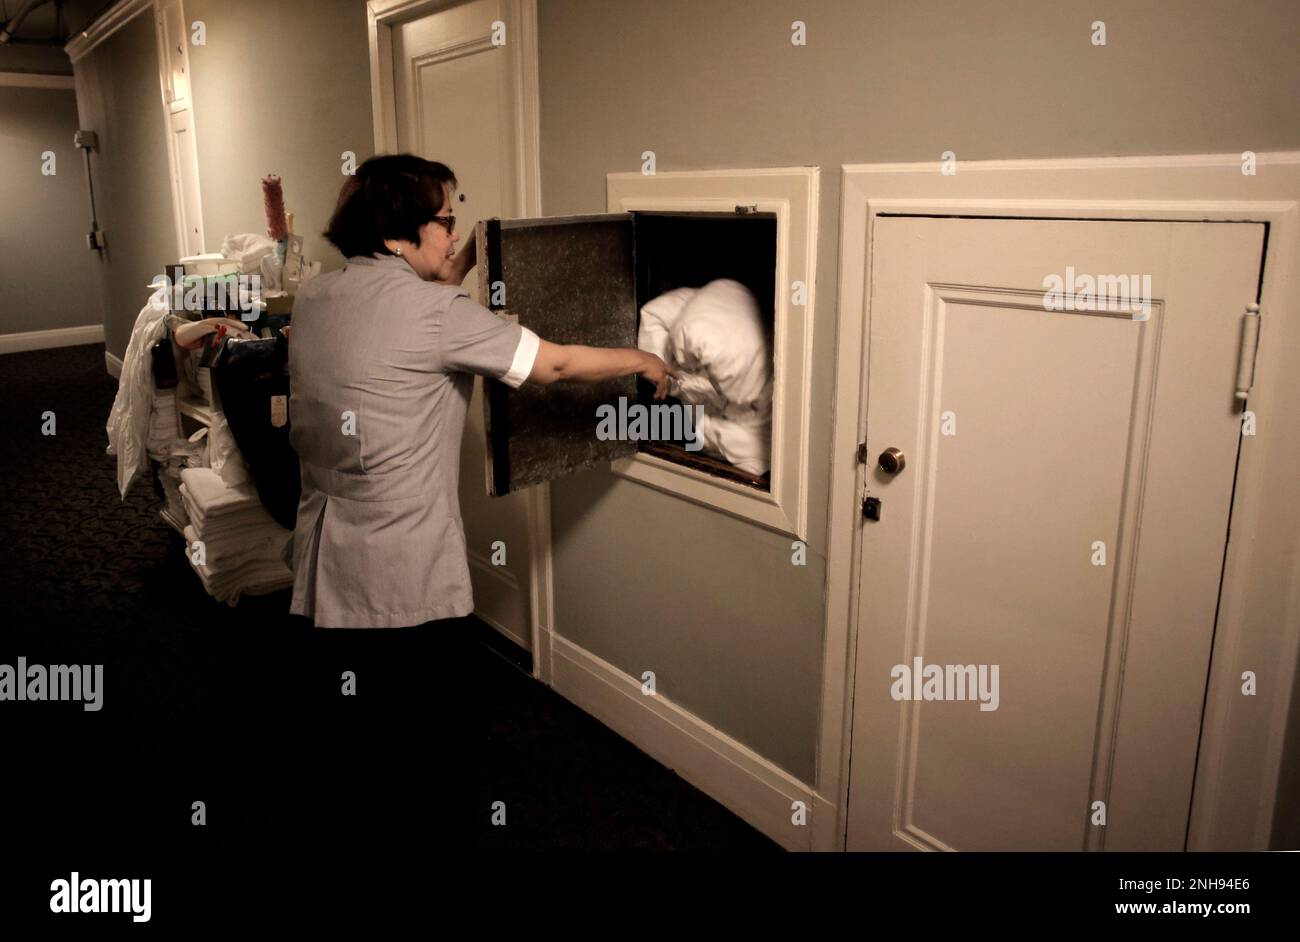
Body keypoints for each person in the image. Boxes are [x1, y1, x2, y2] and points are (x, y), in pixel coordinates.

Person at [286, 153, 672, 630]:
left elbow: (412, 305)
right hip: (396, 563)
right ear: (396, 234)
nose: (452, 233)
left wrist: (466, 254)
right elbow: (556, 365)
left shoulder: (315, 297)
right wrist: (642, 360)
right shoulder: (440, 314)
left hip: (325, 544)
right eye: (446, 221)